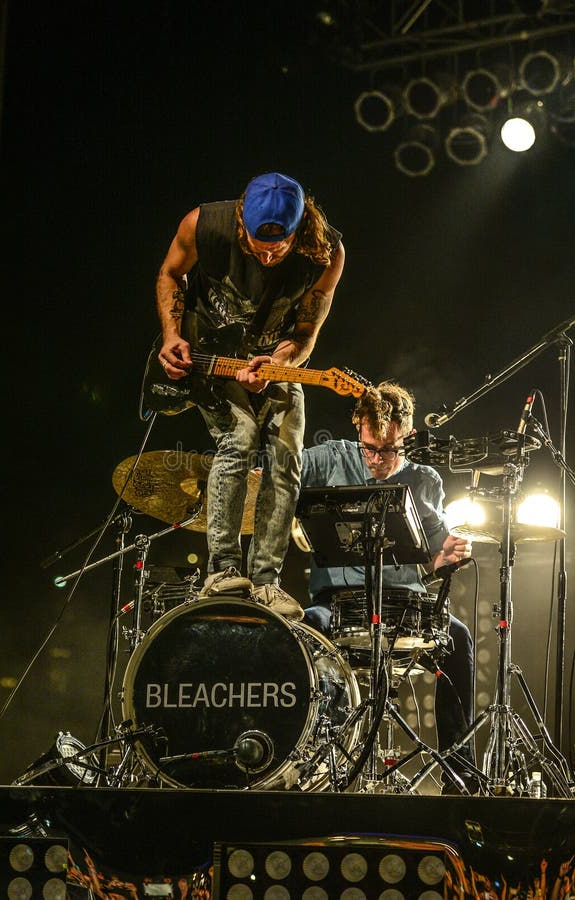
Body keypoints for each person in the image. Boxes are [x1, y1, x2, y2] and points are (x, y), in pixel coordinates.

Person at [155, 172, 345, 619]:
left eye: (280, 244)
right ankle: (221, 570)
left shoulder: (327, 253)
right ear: (242, 218)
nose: (269, 252)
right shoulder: (204, 225)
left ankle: (266, 581)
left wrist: (285, 361)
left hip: (272, 361)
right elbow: (170, 273)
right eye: (260, 242)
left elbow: (306, 328)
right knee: (238, 439)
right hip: (208, 355)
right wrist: (171, 335)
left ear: (301, 227)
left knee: (287, 454)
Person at [300, 380, 477, 791]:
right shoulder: (328, 458)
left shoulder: (426, 478)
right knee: (305, 630)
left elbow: (431, 558)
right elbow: (282, 474)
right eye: (370, 448)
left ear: (408, 437)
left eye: (391, 450)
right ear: (358, 426)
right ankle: (316, 759)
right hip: (338, 601)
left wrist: (446, 555)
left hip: (406, 606)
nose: (378, 459)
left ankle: (459, 768)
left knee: (460, 638)